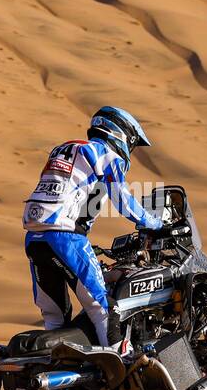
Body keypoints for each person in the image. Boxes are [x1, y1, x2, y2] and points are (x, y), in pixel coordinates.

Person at [21, 105, 163, 352]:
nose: (129, 151)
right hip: (65, 238)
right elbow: (124, 201)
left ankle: (56, 369)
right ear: (122, 135)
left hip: (34, 238)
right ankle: (123, 369)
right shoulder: (106, 154)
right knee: (104, 309)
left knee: (55, 317)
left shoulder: (66, 149)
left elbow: (75, 197)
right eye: (132, 145)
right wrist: (153, 223)